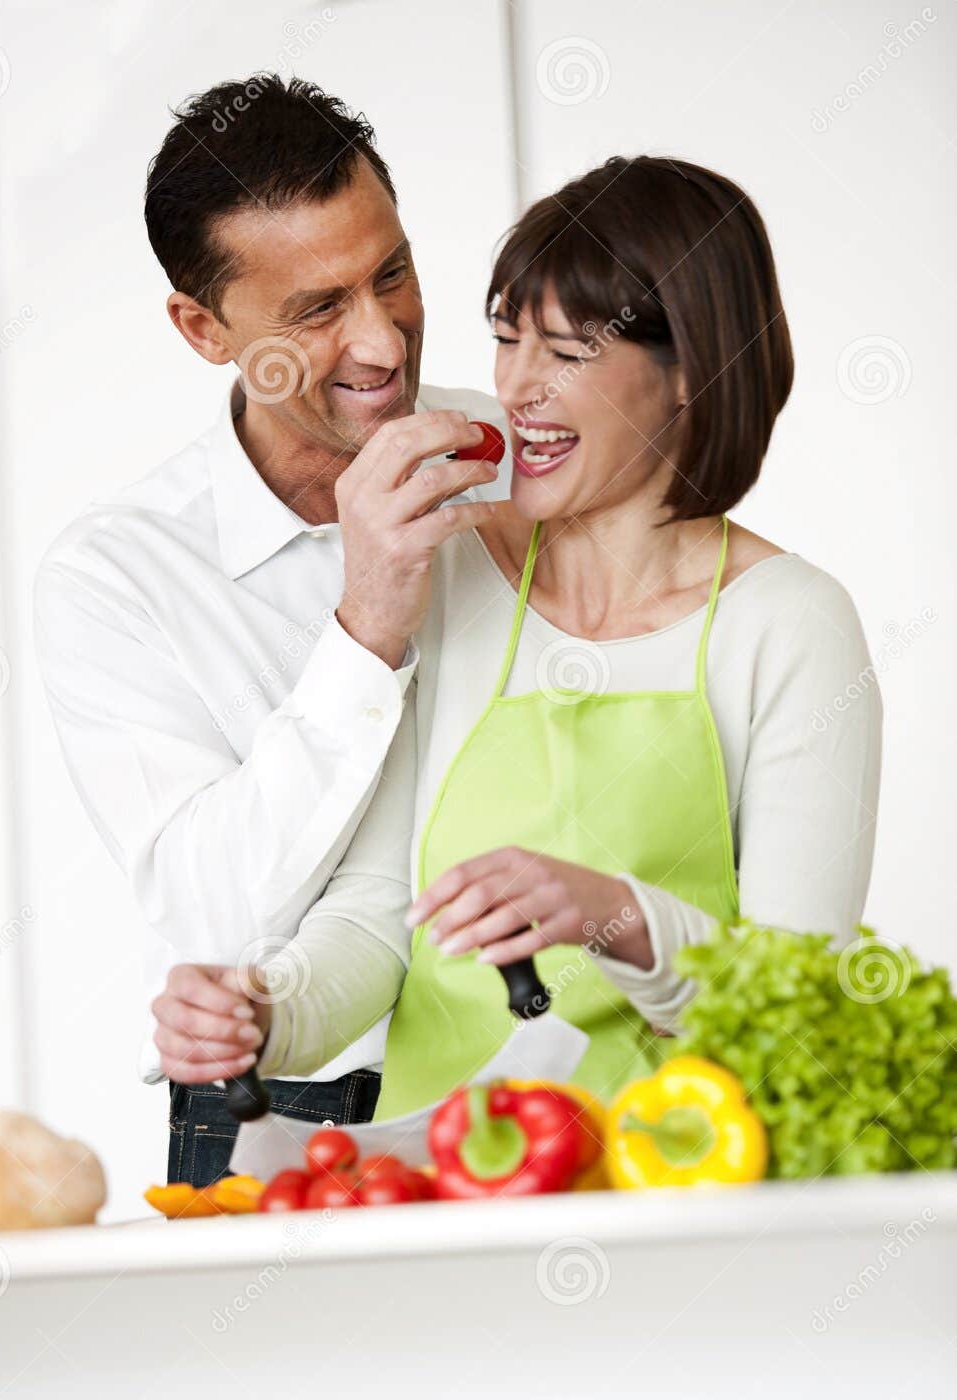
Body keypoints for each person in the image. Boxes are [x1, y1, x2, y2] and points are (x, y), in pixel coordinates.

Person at [152, 155, 882, 1134]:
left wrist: (608, 913)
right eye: (505, 339)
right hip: (446, 1189)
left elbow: (803, 1019)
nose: (515, 389)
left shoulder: (788, 623)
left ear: (688, 372)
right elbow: (375, 915)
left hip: (681, 1190)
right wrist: (265, 1009)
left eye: (569, 352)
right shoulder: (451, 571)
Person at [34, 77, 507, 1172]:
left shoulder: (518, 463)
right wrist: (367, 623)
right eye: (316, 309)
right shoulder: (116, 576)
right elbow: (217, 914)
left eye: (390, 273)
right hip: (269, 1116)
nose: (384, 344)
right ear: (204, 330)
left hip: (530, 1082)